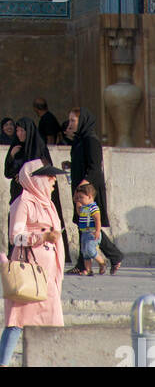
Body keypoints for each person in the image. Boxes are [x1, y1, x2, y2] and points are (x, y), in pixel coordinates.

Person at [0, 162, 65, 367]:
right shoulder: (23, 202)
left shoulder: (49, 203)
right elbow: (15, 237)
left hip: (48, 272)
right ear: (35, 179)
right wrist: (42, 236)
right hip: (28, 271)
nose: (53, 180)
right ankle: (3, 364)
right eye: (48, 176)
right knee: (16, 320)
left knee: (52, 319)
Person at [64, 107, 123, 275]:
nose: (70, 124)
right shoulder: (80, 140)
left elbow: (95, 168)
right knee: (85, 225)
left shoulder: (91, 140)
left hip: (89, 191)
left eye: (73, 121)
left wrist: (82, 187)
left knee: (88, 226)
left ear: (82, 121)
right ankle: (109, 257)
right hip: (81, 190)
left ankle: (86, 265)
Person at [3, 116, 68, 257]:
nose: (19, 134)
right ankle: (13, 256)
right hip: (18, 193)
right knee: (16, 224)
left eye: (22, 131)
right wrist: (11, 157)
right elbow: (7, 173)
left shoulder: (39, 148)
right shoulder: (16, 147)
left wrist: (26, 177)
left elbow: (44, 171)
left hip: (34, 196)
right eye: (18, 130)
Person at [73, 182, 107, 276]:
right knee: (85, 253)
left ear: (90, 196)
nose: (80, 199)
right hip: (84, 233)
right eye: (79, 197)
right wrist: (77, 203)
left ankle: (102, 262)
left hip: (92, 232)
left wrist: (97, 231)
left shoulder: (94, 208)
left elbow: (97, 220)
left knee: (90, 249)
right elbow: (80, 213)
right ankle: (88, 270)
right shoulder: (84, 207)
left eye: (81, 197)